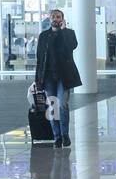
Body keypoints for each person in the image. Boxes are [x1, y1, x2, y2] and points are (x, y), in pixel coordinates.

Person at [33, 8, 82, 149]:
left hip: (64, 76)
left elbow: (72, 46)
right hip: (48, 77)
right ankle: (57, 136)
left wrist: (64, 31)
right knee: (52, 106)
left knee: (62, 104)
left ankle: (65, 134)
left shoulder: (69, 34)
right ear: (49, 19)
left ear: (62, 19)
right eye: (53, 17)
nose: (56, 19)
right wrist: (38, 80)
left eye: (58, 17)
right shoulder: (43, 36)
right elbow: (39, 59)